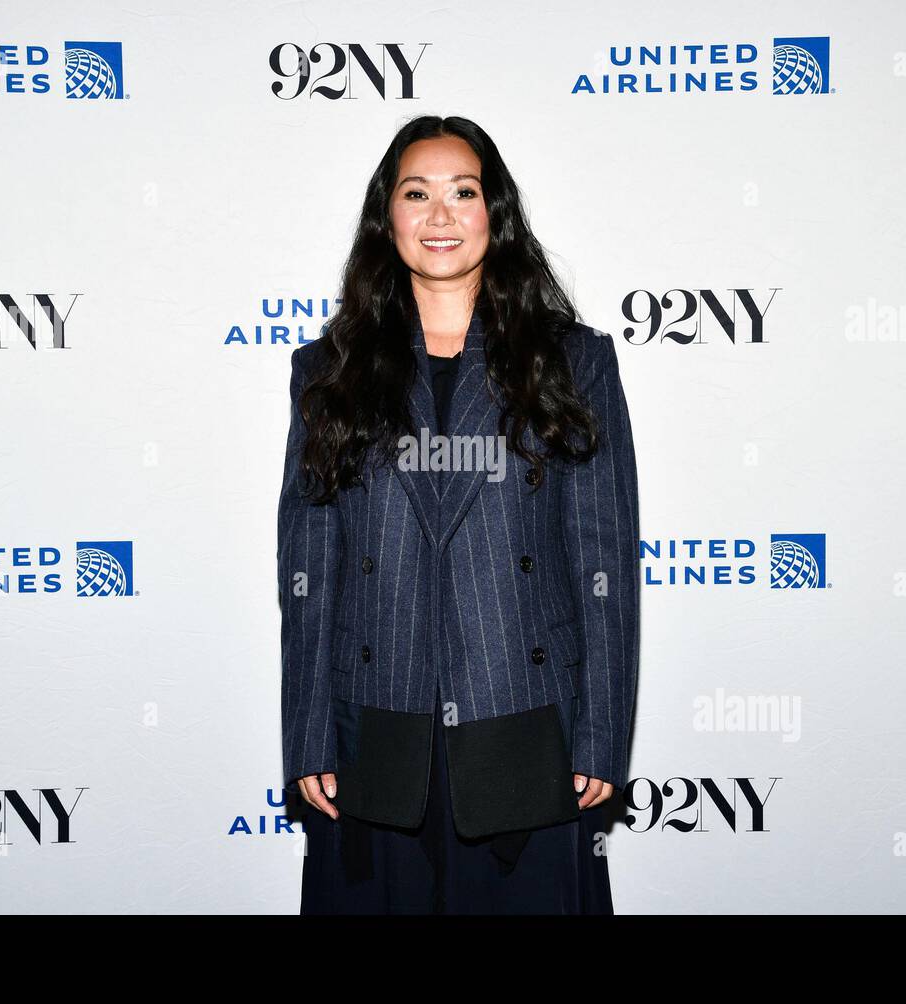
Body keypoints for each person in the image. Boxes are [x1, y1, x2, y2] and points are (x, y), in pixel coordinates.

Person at [276, 114, 640, 914]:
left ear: (494, 212)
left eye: (462, 193)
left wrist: (603, 733)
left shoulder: (572, 361)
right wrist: (305, 734)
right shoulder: (328, 371)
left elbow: (603, 558)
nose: (440, 216)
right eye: (417, 194)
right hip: (372, 733)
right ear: (388, 217)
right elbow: (309, 565)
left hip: (526, 729)